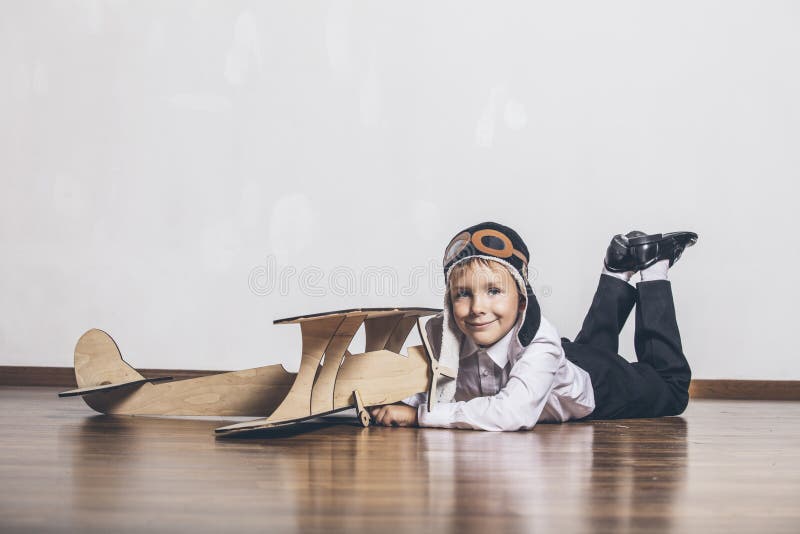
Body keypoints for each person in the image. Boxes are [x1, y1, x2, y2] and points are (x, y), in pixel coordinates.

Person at [369, 221, 697, 431]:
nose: (477, 307)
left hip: (599, 385)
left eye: (494, 291)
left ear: (522, 300)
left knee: (671, 387)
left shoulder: (541, 344)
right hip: (562, 361)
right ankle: (617, 267)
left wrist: (418, 416)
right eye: (463, 294)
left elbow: (512, 413)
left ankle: (654, 268)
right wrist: (395, 399)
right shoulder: (444, 335)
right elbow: (436, 387)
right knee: (589, 350)